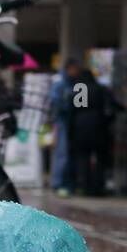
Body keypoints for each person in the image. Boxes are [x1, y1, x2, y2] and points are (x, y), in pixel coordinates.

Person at [67, 66, 122, 197]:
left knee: (83, 158)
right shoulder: (100, 89)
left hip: (80, 127)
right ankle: (98, 186)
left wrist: (71, 130)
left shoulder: (79, 90)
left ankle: (85, 186)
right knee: (101, 158)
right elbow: (113, 106)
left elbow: (72, 110)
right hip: (99, 126)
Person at [50, 58, 80, 196]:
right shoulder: (60, 83)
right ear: (69, 69)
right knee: (62, 153)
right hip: (61, 121)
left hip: (68, 121)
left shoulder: (73, 83)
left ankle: (64, 182)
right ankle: (58, 183)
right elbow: (55, 102)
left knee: (66, 153)